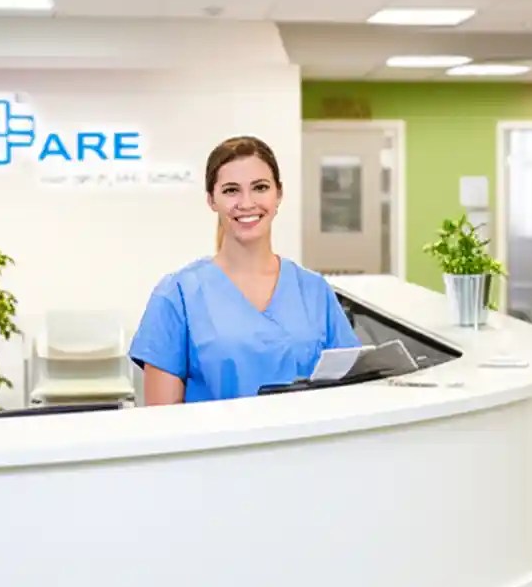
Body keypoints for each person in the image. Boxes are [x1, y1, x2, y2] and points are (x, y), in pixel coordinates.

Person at [128, 135, 362, 405]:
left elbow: (348, 395)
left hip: (304, 446)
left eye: (260, 187)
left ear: (279, 194)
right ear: (211, 200)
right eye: (231, 190)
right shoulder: (178, 295)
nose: (247, 202)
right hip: (219, 447)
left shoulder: (314, 291)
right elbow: (162, 423)